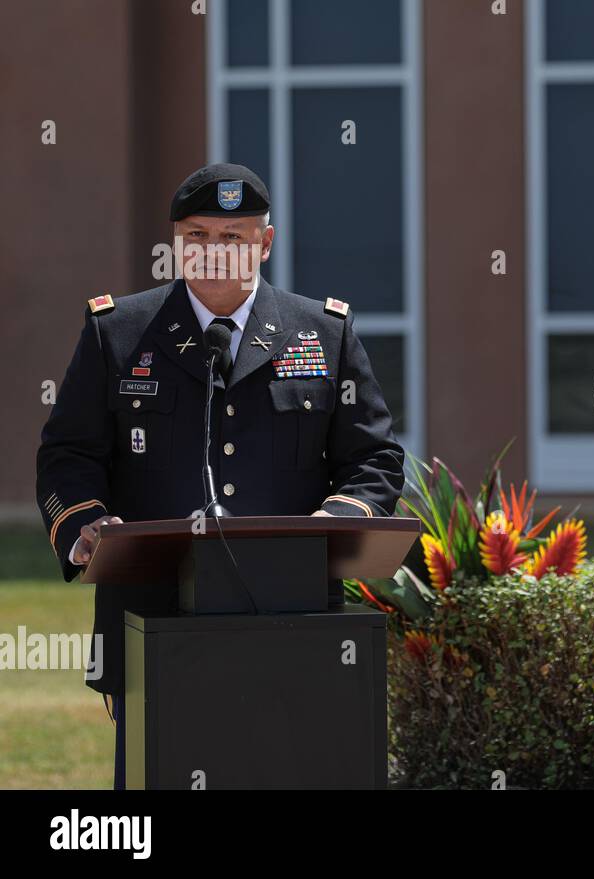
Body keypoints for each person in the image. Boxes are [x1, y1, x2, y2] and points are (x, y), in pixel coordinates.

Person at [35, 162, 405, 789]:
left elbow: (374, 459)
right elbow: (67, 455)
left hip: (294, 618)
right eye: (198, 236)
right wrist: (86, 523)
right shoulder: (118, 333)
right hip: (152, 615)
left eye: (233, 237)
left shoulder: (323, 332)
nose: (213, 252)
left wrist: (334, 525)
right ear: (175, 245)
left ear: (265, 243)